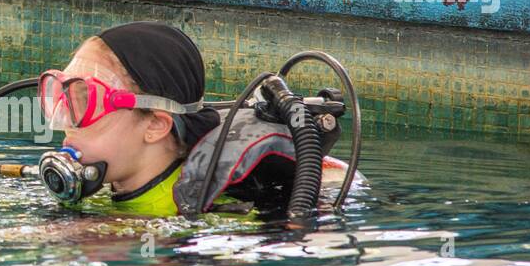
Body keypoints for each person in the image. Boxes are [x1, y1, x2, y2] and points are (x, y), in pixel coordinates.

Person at [38, 21, 351, 218]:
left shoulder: (203, 211)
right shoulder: (114, 191)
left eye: (85, 103)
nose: (67, 123)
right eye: (61, 100)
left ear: (155, 126)